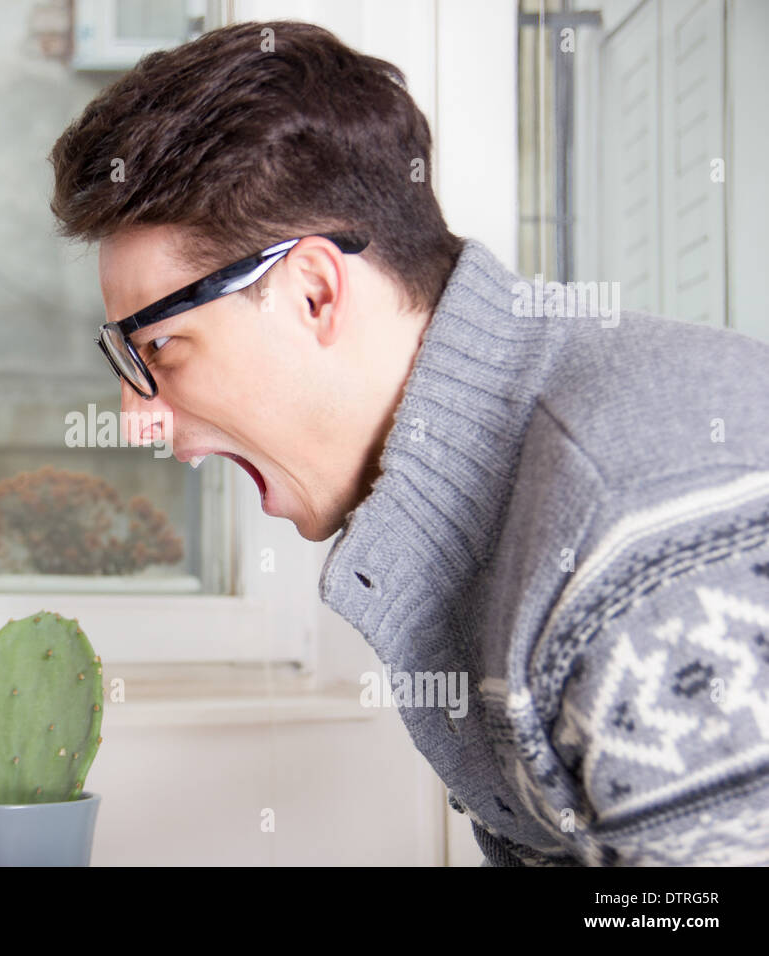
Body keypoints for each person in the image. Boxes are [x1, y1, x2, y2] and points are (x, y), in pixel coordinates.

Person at [48, 20, 769, 865]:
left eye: (158, 349)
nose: (138, 419)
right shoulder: (482, 515)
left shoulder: (628, 523)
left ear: (313, 292)